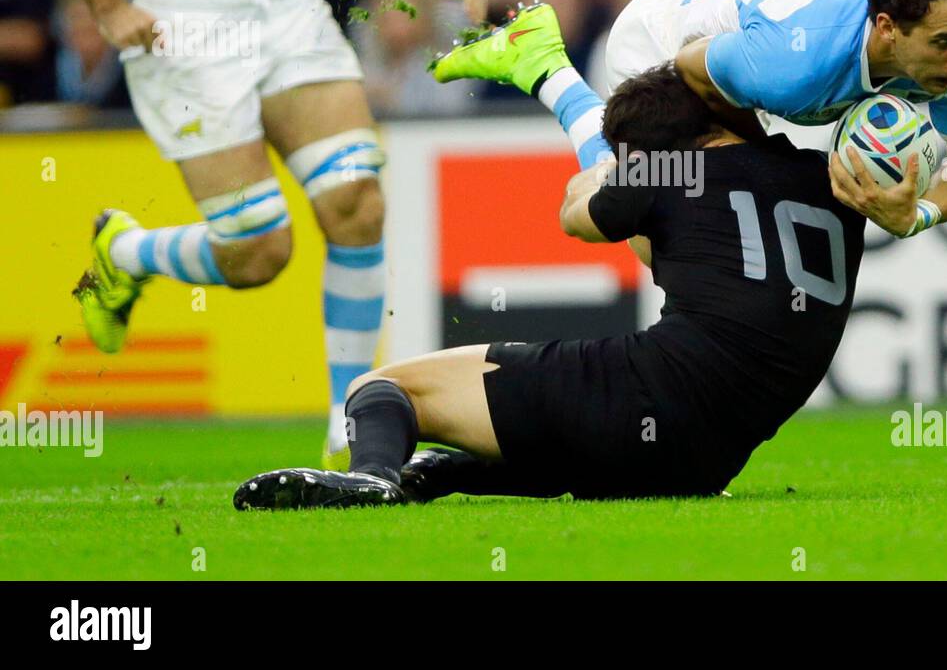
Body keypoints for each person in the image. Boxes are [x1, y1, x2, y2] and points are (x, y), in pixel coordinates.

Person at [33, 0, 486, 468]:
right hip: (183, 24)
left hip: (286, 14)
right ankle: (122, 252)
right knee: (257, 252)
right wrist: (110, 6)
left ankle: (348, 418)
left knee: (358, 203)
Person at [233, 63, 870, 507]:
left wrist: (608, 166)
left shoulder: (673, 169)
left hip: (646, 394)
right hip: (712, 456)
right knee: (580, 441)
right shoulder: (829, 182)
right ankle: (439, 474)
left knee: (383, 386)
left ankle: (372, 478)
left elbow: (578, 216)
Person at [432, 0, 947, 242]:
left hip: (744, 7)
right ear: (885, 29)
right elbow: (692, 68)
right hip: (665, 36)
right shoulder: (795, 64)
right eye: (946, 42)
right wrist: (768, 162)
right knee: (638, 224)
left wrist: (916, 215)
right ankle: (547, 70)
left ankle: (539, 60)